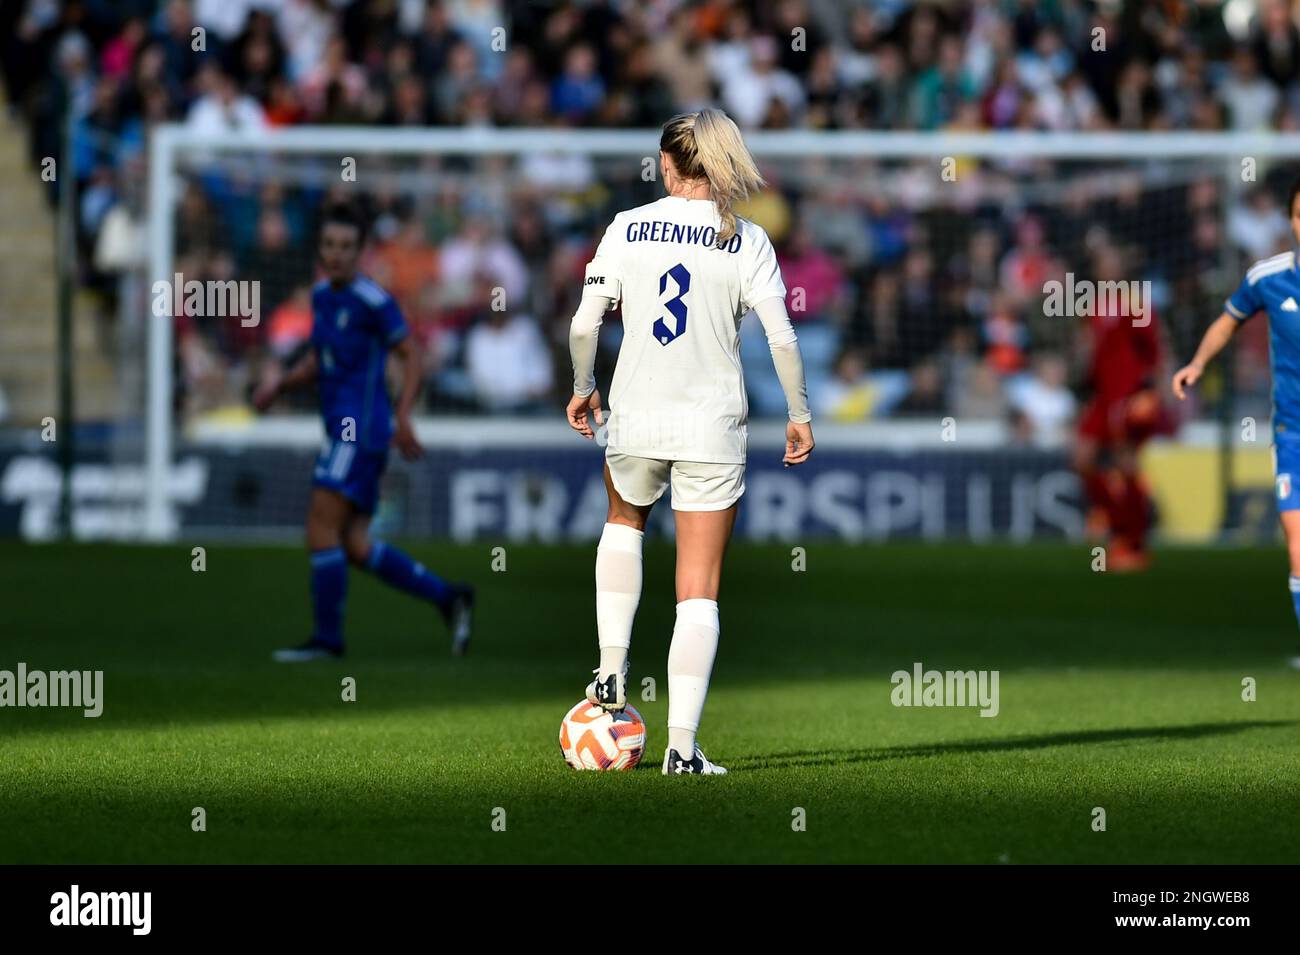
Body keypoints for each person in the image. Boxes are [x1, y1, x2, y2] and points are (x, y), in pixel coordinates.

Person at [566, 109, 814, 775]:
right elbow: (782, 338)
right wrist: (798, 412)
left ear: (669, 165)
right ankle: (681, 747)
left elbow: (586, 320)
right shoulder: (750, 239)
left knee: (623, 523)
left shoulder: (626, 226)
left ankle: (612, 672)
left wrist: (584, 382)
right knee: (698, 590)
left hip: (637, 416)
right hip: (711, 426)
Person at [253, 203, 474, 661]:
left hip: (359, 433)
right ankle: (448, 597)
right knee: (353, 543)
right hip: (342, 428)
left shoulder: (373, 301)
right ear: (321, 248)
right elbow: (321, 361)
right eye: (330, 245)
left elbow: (411, 354)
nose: (337, 254)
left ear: (361, 251)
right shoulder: (320, 297)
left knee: (320, 526)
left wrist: (405, 415)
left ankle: (328, 641)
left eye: (346, 247)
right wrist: (279, 385)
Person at [1173, 176, 1300, 662]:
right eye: (1299, 214)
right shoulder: (1268, 277)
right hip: (1293, 434)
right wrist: (1198, 364)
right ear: (1289, 220)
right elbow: (1228, 320)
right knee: (1296, 546)